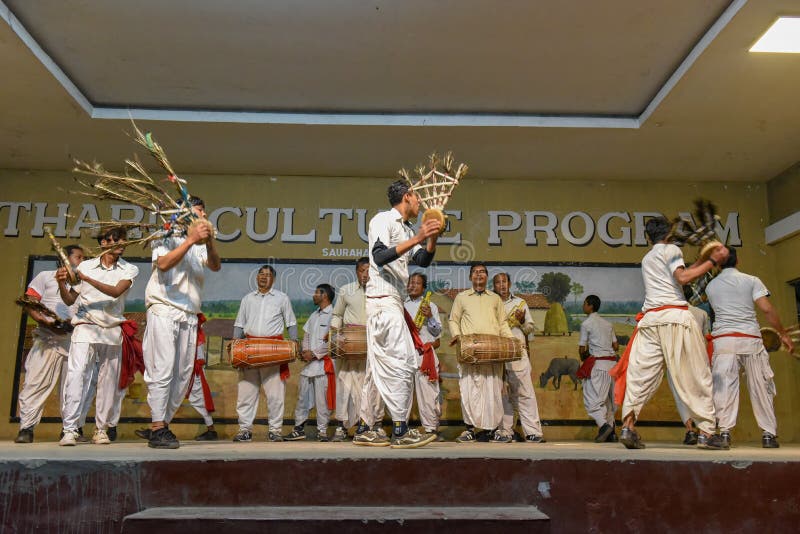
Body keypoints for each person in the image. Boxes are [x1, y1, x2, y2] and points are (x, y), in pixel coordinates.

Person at [611, 216, 729, 450]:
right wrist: (712, 261)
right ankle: (705, 432)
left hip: (650, 321)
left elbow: (681, 273)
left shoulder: (647, 258)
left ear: (648, 237)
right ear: (668, 234)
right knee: (696, 373)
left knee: (640, 377)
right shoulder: (672, 249)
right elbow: (683, 277)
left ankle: (628, 427)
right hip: (675, 319)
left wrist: (702, 263)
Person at [352, 179, 441, 449]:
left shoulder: (405, 228)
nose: (420, 204)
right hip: (383, 300)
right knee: (403, 363)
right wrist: (419, 236)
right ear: (407, 196)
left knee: (377, 369)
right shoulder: (383, 219)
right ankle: (400, 431)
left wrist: (432, 237)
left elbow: (422, 260)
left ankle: (366, 428)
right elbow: (378, 257)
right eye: (417, 199)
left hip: (389, 302)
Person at [142, 198, 221, 449]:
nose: (205, 214)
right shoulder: (164, 233)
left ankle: (162, 422)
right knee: (162, 369)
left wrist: (207, 241)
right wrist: (189, 240)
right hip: (164, 308)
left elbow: (216, 266)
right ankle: (157, 427)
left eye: (204, 211)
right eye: (200, 210)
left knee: (183, 375)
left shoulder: (200, 244)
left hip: (189, 313)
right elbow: (163, 263)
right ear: (184, 213)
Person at [705, 246, 795, 448]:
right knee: (761, 386)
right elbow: (767, 309)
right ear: (738, 261)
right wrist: (783, 333)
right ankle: (768, 435)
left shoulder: (711, 286)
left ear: (719, 264)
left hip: (724, 340)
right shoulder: (751, 280)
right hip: (751, 339)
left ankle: (725, 433)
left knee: (725, 388)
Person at [57, 228, 139, 446]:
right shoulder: (85, 266)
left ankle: (101, 429)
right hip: (85, 326)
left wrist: (85, 278)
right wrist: (60, 282)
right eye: (115, 239)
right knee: (76, 376)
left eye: (124, 239)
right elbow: (69, 300)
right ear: (103, 242)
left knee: (108, 382)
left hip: (111, 329)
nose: (121, 243)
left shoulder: (129, 269)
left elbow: (115, 292)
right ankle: (70, 429)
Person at [15, 245, 84, 443]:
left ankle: (69, 430)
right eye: (79, 257)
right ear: (65, 260)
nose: (82, 261)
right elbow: (29, 303)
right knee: (35, 383)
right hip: (47, 339)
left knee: (72, 388)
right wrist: (48, 322)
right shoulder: (45, 276)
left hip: (73, 342)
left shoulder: (85, 284)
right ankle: (26, 428)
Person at [449, 263, 519, 443]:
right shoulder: (461, 297)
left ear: (486, 277)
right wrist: (458, 338)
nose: (478, 275)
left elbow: (502, 323)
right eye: (475, 272)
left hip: (493, 352)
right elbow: (453, 320)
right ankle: (470, 430)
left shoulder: (495, 299)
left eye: (482, 272)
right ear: (470, 277)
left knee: (493, 390)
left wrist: (511, 341)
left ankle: (494, 430)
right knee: (468, 390)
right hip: (469, 352)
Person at [232, 265, 298, 443]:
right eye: (260, 274)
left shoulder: (282, 298)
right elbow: (239, 323)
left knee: (275, 395)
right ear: (256, 278)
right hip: (249, 350)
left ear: (273, 279)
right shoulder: (247, 299)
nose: (263, 277)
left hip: (273, 350)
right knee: (246, 393)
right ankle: (244, 430)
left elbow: (291, 322)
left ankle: (275, 431)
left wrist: (294, 342)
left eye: (268, 275)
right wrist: (234, 344)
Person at [329, 257, 384, 441]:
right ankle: (341, 427)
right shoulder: (346, 290)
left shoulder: (381, 292)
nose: (365, 274)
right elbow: (337, 315)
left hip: (373, 349)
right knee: (345, 386)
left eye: (369, 270)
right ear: (356, 271)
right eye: (362, 270)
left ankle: (374, 424)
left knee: (374, 387)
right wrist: (334, 334)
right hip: (349, 347)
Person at [492, 272, 545, 444]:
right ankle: (505, 432)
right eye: (498, 282)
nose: (501, 285)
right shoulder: (489, 303)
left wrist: (522, 322)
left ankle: (533, 432)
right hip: (497, 354)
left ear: (510, 283)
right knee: (502, 395)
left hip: (518, 354)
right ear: (494, 286)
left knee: (525, 393)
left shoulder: (520, 303)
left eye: (504, 281)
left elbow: (530, 329)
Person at [285, 284, 336, 442]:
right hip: (309, 367)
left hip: (323, 366)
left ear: (325, 296)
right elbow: (306, 335)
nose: (313, 295)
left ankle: (322, 431)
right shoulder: (314, 315)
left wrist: (313, 354)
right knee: (302, 398)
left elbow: (333, 340)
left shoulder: (334, 316)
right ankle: (298, 429)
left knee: (322, 401)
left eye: (316, 293)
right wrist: (306, 352)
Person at [404, 273, 443, 438]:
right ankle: (400, 427)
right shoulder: (400, 305)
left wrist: (430, 317)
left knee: (427, 392)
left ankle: (430, 429)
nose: (413, 285)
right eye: (411, 282)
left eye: (417, 283)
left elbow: (437, 332)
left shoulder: (431, 306)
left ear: (424, 287)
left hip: (424, 353)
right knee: (402, 391)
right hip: (404, 353)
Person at [577, 294, 619, 443]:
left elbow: (582, 349)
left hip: (598, 365)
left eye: (584, 303)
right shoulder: (608, 324)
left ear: (590, 306)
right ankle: (612, 433)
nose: (583, 306)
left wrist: (586, 355)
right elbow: (616, 346)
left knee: (592, 400)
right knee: (608, 402)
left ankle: (603, 427)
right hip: (612, 366)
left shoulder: (586, 324)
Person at [186, 313, 217, 440]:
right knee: (170, 397)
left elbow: (198, 358)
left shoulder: (196, 334)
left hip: (193, 371)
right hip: (186, 370)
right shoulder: (190, 333)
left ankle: (211, 429)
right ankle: (161, 427)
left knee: (198, 398)